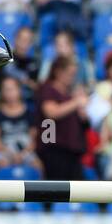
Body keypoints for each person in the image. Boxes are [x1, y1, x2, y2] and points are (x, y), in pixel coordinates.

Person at [33, 55, 89, 193]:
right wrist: (76, 102)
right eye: (70, 74)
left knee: (77, 191)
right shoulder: (48, 89)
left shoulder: (69, 93)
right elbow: (51, 112)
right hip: (54, 148)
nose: (72, 78)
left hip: (72, 150)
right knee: (56, 190)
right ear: (58, 71)